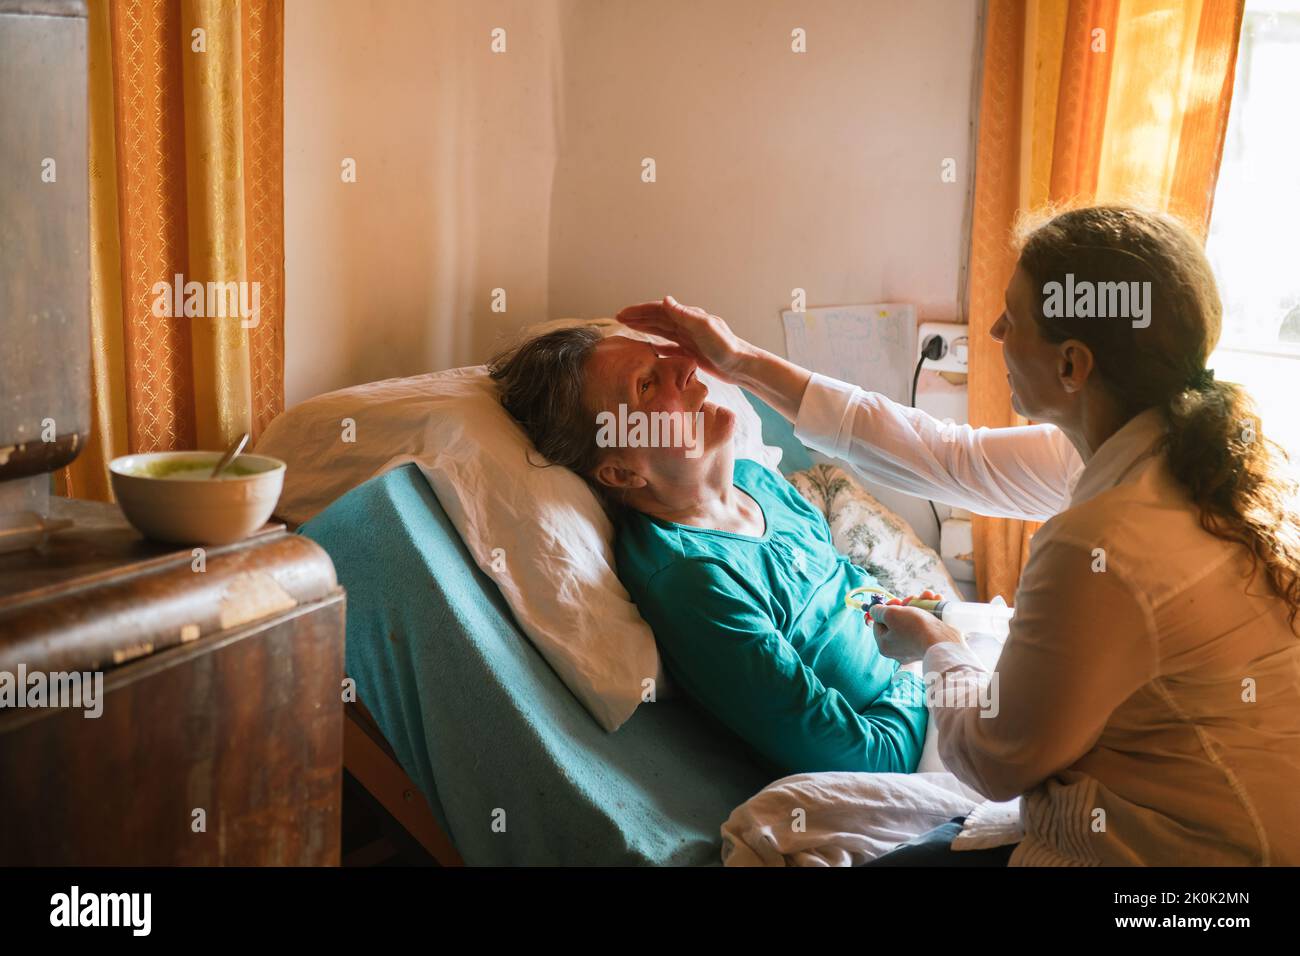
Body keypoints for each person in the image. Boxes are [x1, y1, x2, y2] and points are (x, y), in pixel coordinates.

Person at [617, 204, 1300, 866]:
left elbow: (996, 763)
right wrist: (737, 361)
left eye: (1016, 316)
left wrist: (939, 648)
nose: (997, 330)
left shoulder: (1103, 542)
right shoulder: (1167, 450)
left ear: (1072, 365)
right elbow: (946, 454)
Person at [487, 327, 927, 777]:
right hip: (916, 736)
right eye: (646, 384)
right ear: (620, 472)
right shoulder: (692, 578)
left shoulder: (759, 482)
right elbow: (870, 760)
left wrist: (942, 628)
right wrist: (922, 666)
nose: (685, 366)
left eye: (661, 359)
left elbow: (855, 593)